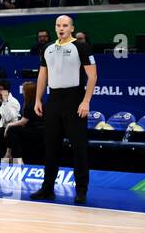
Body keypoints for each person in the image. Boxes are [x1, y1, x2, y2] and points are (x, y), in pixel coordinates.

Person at [31, 15, 97, 205]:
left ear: (72, 28)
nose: (61, 28)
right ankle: (47, 188)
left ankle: (81, 190)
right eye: (58, 25)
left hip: (74, 99)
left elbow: (92, 76)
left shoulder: (82, 47)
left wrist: (86, 101)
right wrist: (37, 99)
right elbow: (42, 75)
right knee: (51, 146)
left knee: (79, 147)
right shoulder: (48, 48)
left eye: (65, 25)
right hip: (54, 100)